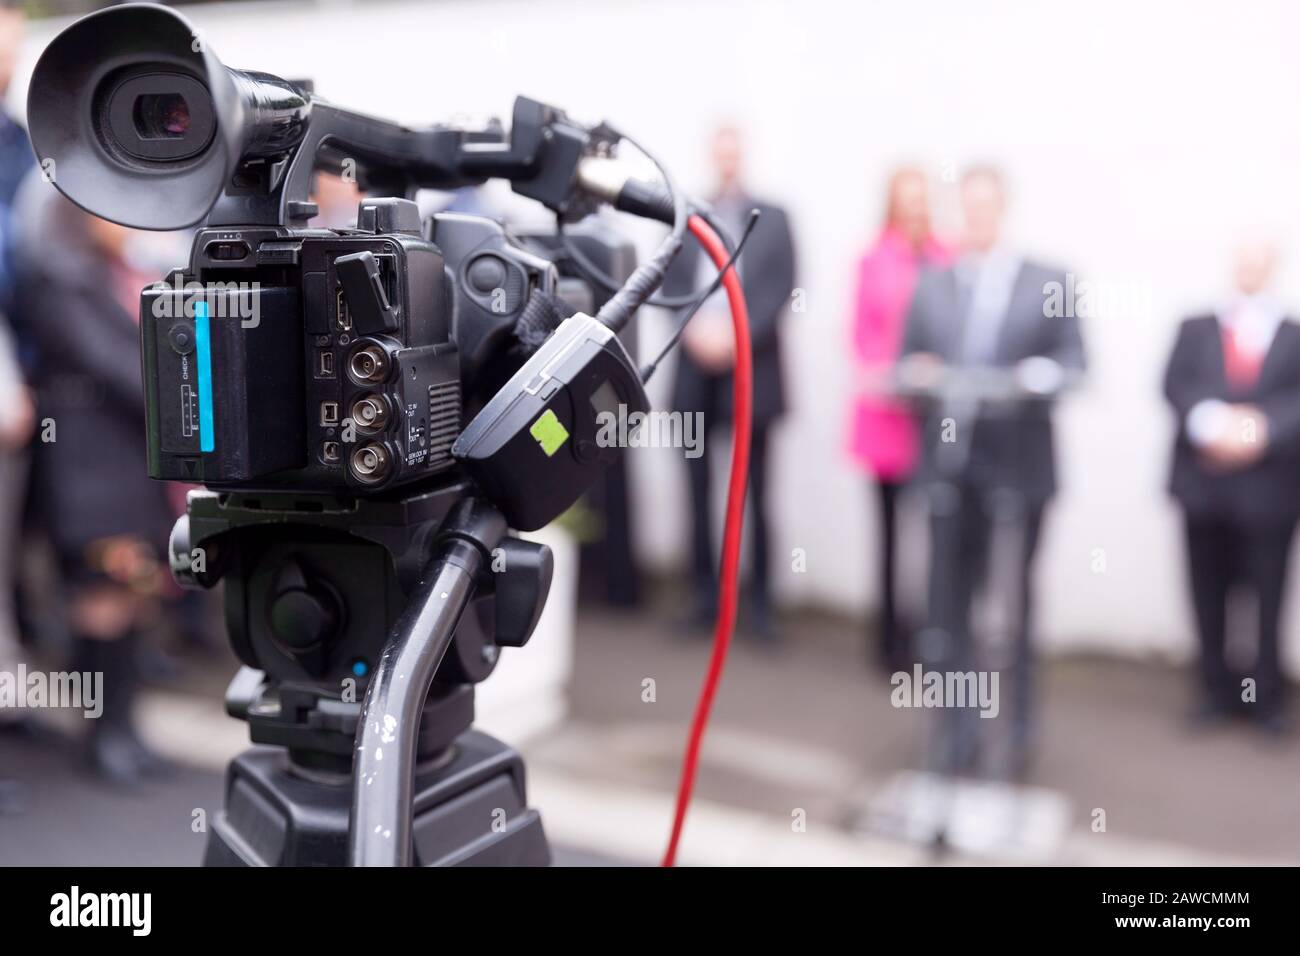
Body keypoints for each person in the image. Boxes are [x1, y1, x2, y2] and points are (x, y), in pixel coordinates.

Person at [899, 165, 1085, 776]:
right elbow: (907, 362)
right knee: (950, 611)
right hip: (953, 470)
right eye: (967, 207)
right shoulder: (934, 283)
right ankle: (957, 733)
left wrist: (1034, 379)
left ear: (1003, 209)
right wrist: (918, 373)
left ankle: (1019, 736)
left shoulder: (1049, 281)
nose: (976, 218)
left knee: (1015, 609)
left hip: (1019, 470)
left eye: (987, 207)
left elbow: (1075, 363)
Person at [12, 174, 175, 785]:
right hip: (87, 469)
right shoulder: (54, 282)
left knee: (134, 593)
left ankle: (124, 730)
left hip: (124, 465)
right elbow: (114, 364)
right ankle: (105, 734)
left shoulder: (106, 277)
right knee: (102, 598)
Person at [663, 125, 795, 641]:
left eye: (734, 149)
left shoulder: (776, 218)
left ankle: (760, 605)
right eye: (719, 150)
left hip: (752, 368)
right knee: (695, 490)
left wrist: (737, 335)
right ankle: (703, 598)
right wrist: (695, 328)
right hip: (695, 367)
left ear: (744, 155)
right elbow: (669, 281)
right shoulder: (685, 213)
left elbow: (781, 286)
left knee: (758, 492)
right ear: (711, 156)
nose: (727, 159)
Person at [1163, 239, 1300, 736]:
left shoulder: (1293, 333)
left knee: (1267, 595)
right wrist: (1211, 423)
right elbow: (1175, 385)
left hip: (1270, 492)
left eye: (1258, 263)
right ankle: (1214, 691)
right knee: (1206, 591)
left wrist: (1259, 431)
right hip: (1204, 486)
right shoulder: (1196, 327)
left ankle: (1265, 699)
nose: (1249, 272)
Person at [848, 167, 951, 671]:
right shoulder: (874, 259)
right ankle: (889, 640)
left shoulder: (946, 259)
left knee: (938, 534)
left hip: (934, 419)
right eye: (905, 199)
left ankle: (934, 634)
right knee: (889, 532)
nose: (914, 208)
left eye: (921, 199)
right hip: (887, 416)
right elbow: (861, 334)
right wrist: (893, 372)